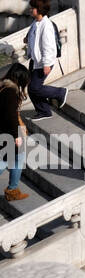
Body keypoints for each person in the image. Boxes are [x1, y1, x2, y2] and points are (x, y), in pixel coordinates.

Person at [25, 0, 66, 121]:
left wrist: (47, 64)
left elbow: (48, 46)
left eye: (33, 8)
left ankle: (60, 93)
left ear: (39, 9)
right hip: (35, 61)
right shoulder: (36, 23)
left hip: (43, 62)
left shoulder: (46, 26)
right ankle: (44, 111)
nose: (30, 10)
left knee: (34, 88)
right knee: (32, 88)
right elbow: (33, 38)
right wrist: (27, 39)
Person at [0, 64, 30, 202]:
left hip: (3, 131)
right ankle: (12, 190)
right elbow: (11, 116)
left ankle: (13, 190)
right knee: (15, 159)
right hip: (8, 132)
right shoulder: (11, 93)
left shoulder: (3, 86)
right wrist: (16, 135)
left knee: (6, 160)